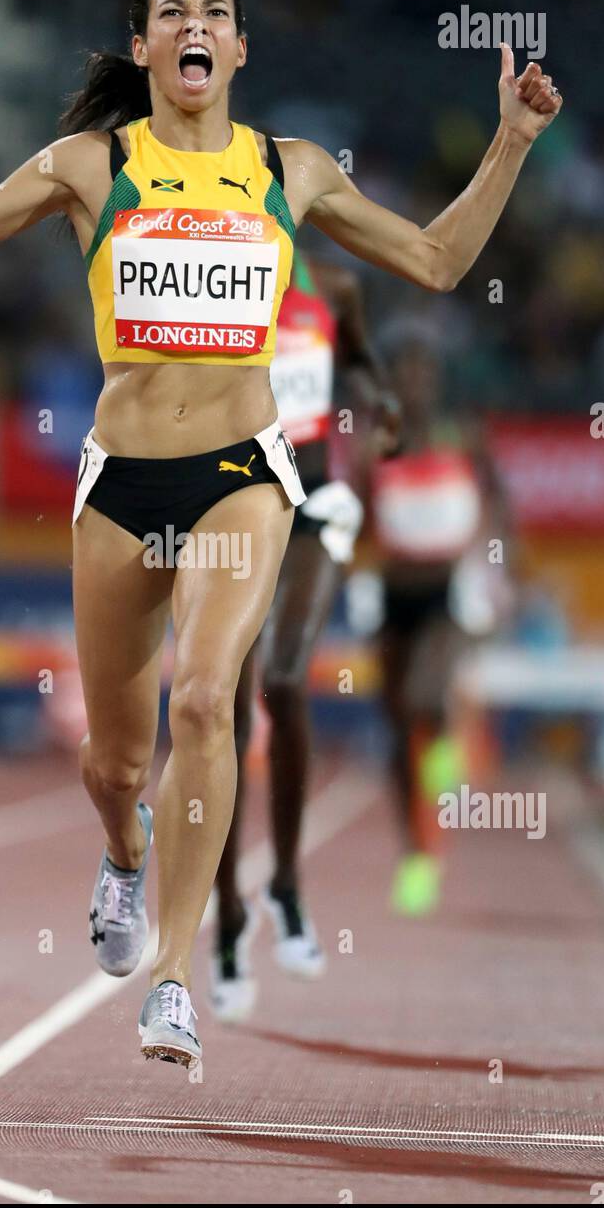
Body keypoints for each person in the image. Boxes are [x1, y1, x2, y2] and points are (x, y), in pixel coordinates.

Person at [0, 0, 562, 1070]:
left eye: (215, 12)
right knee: (117, 770)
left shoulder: (288, 170)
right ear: (146, 49)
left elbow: (436, 260)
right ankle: (124, 853)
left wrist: (508, 139)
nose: (195, 27)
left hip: (241, 475)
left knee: (207, 701)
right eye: (173, 14)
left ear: (240, 49)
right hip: (122, 483)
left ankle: (169, 975)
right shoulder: (89, 164)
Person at [210, 249, 395, 1021]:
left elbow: (359, 359)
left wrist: (380, 405)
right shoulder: (215, 280)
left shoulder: (337, 287)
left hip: (315, 501)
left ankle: (284, 884)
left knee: (285, 680)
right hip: (232, 499)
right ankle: (226, 917)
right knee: (221, 706)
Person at [369, 333, 512, 915]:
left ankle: (448, 737)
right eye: (403, 375)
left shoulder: (465, 437)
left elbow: (500, 502)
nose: (414, 385)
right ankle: (417, 853)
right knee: (399, 727)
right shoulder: (379, 444)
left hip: (448, 592)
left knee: (427, 694)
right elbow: (352, 510)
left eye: (422, 375)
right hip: (393, 592)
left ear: (436, 382)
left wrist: (501, 569)